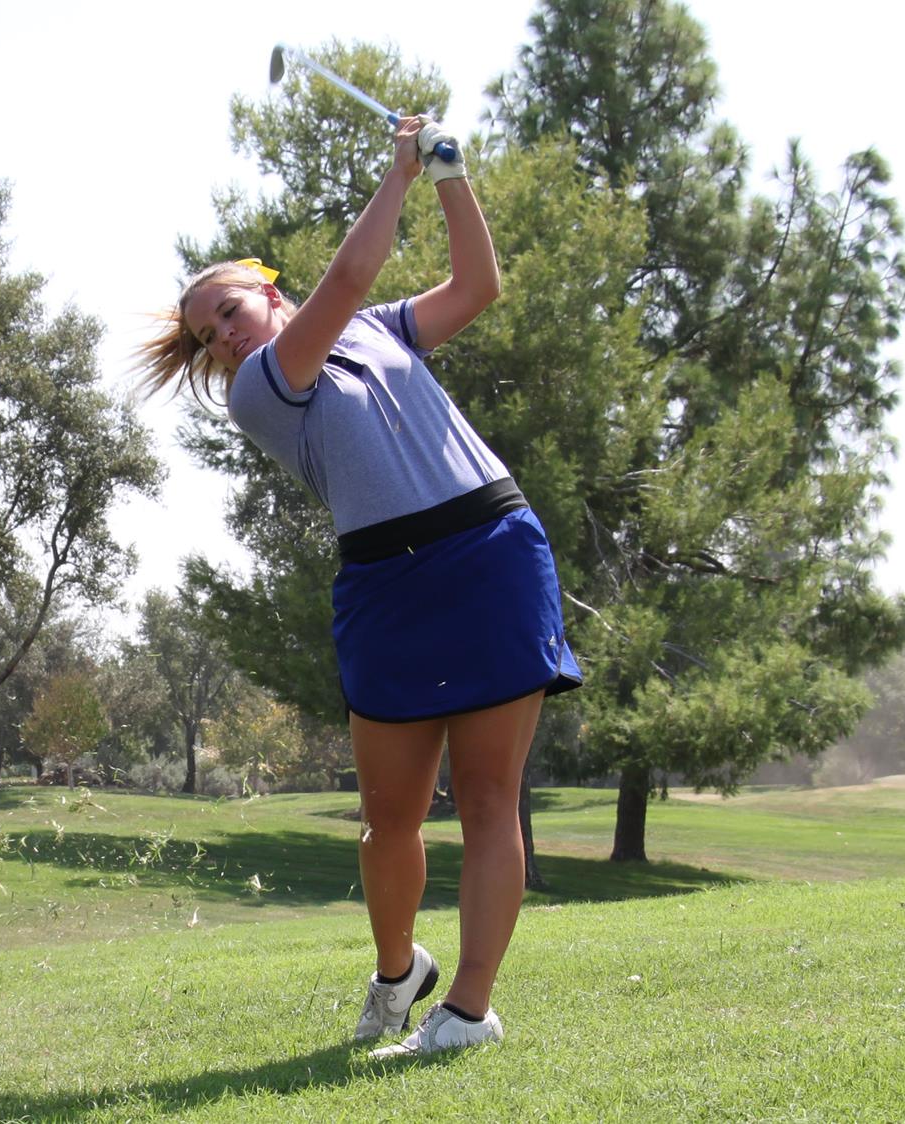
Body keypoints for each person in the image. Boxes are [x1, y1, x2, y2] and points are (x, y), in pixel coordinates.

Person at [137, 116, 581, 1058]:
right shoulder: (262, 388)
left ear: (266, 288)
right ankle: (396, 973)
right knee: (389, 821)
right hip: (387, 586)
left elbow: (477, 288)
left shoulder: (382, 334)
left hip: (491, 547)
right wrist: (399, 173)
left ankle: (466, 1010)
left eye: (228, 309)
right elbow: (345, 279)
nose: (221, 336)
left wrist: (452, 181)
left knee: (492, 798)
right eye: (207, 334)